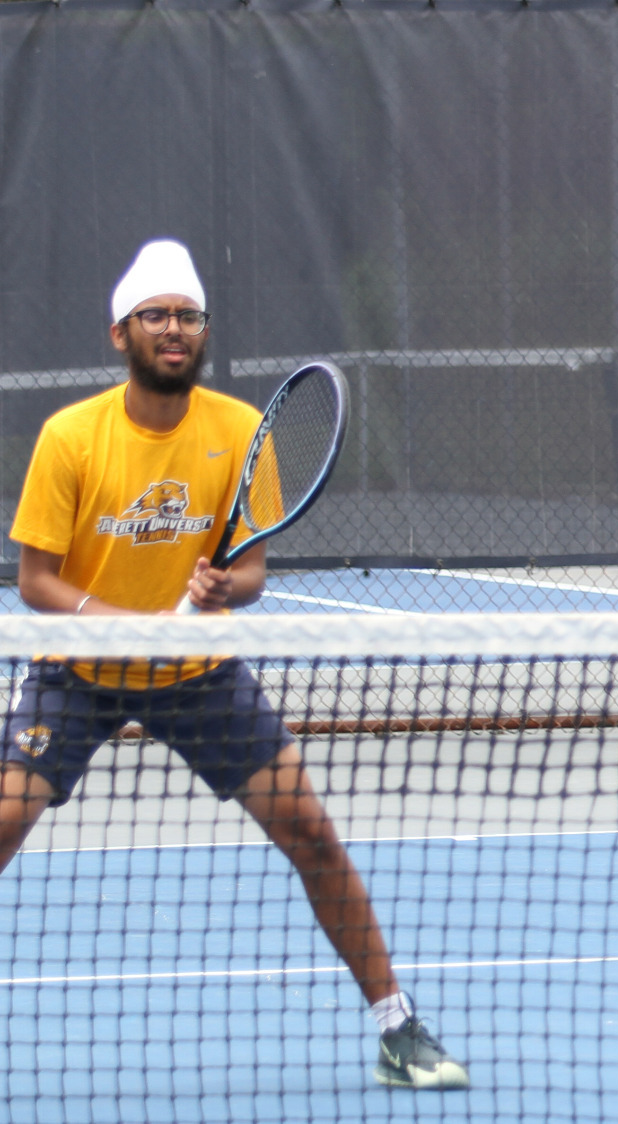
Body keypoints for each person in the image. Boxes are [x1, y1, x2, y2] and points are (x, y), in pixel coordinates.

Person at [0, 240, 470, 1090]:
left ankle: (399, 1030)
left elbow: (252, 569)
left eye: (187, 315)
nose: (173, 329)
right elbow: (36, 580)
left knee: (313, 835)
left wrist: (222, 589)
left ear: (202, 332)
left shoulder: (240, 431)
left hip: (197, 675)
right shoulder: (71, 439)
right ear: (121, 334)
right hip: (74, 670)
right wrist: (119, 627)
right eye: (156, 316)